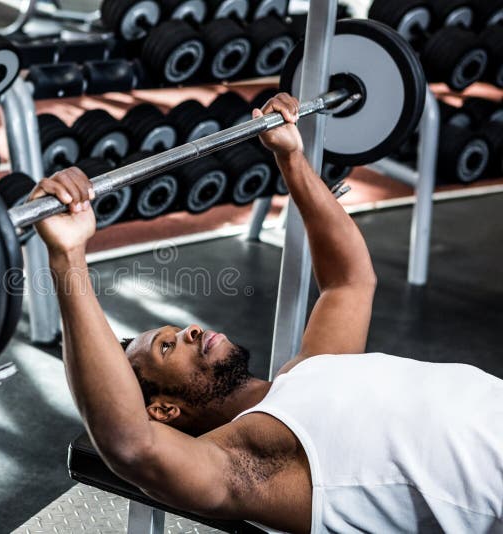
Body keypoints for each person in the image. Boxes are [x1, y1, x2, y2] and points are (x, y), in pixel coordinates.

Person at [28, 93, 503, 533]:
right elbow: (133, 446)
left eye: (177, 330)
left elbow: (349, 281)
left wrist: (291, 159)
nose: (192, 329)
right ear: (164, 409)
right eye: (167, 346)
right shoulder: (249, 461)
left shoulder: (311, 371)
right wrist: (68, 258)